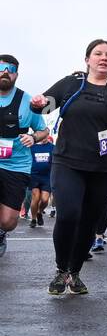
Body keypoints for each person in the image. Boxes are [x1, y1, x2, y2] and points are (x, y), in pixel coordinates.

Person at [42, 40, 107, 293]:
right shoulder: (72, 84)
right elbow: (45, 105)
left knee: (90, 221)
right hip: (68, 161)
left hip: (105, 167)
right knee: (68, 215)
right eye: (98, 54)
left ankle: (75, 272)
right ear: (87, 59)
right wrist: (37, 103)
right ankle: (61, 269)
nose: (103, 58)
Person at [0, 55, 51, 256]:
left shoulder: (27, 101)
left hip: (16, 165)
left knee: (8, 221)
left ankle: (2, 231)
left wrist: (33, 137)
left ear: (16, 75)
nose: (5, 72)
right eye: (1, 68)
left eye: (10, 69)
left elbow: (44, 130)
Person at [27, 136, 54, 228]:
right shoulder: (32, 147)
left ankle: (39, 212)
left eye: (46, 136)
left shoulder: (52, 147)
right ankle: (33, 219)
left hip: (47, 177)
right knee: (36, 197)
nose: (44, 138)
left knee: (45, 199)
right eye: (42, 137)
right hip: (34, 175)